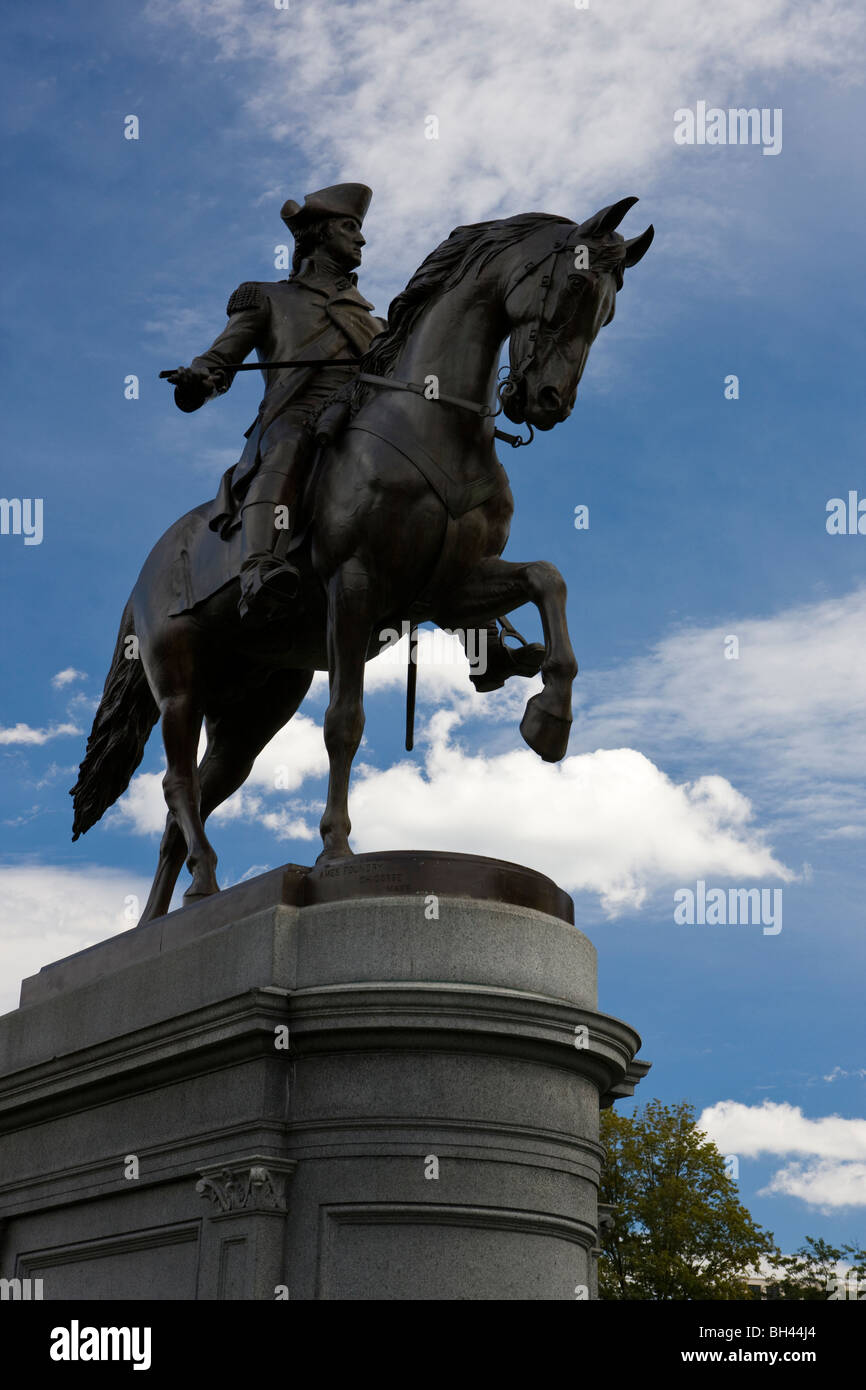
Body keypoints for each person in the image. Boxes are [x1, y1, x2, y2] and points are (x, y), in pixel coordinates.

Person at [164, 183, 384, 621]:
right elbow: (219, 361)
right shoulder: (267, 296)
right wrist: (198, 381)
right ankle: (259, 567)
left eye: (359, 229)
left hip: (365, 416)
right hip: (297, 414)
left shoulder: (377, 322)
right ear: (319, 234)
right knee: (288, 447)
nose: (360, 238)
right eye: (349, 227)